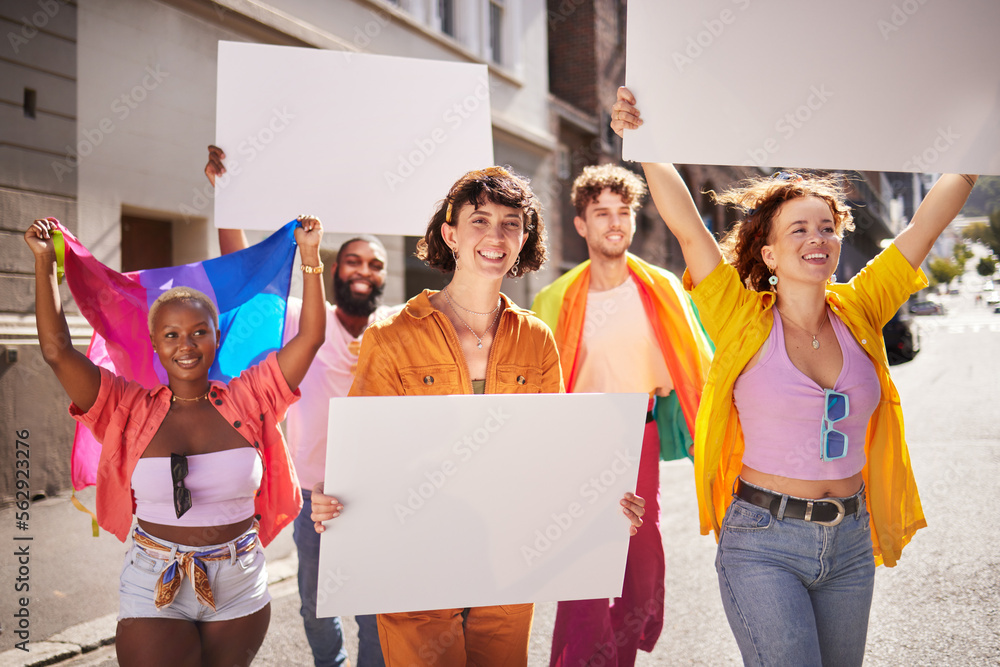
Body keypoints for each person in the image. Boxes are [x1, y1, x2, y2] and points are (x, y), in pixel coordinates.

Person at [612, 86, 979, 666]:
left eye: (827, 227)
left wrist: (978, 142)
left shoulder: (861, 307)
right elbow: (688, 230)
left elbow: (926, 225)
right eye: (799, 230)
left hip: (850, 542)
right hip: (763, 541)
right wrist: (648, 144)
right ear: (770, 255)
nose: (818, 239)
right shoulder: (739, 317)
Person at [309, 166, 648, 666]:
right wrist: (335, 502)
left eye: (511, 223)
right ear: (450, 233)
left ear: (524, 237)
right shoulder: (392, 336)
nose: (496, 236)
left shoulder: (536, 338)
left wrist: (600, 505)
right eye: (480, 220)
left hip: (506, 564)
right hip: (415, 559)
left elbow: (550, 455)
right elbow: (367, 454)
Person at [25, 214, 326, 667]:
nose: (186, 344)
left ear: (216, 337)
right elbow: (56, 352)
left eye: (198, 332)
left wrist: (310, 255)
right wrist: (45, 263)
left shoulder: (250, 397)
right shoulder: (125, 408)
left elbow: (312, 336)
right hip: (154, 578)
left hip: (240, 577)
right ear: (154, 343)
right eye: (171, 335)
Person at [205, 145, 392, 667]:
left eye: (375, 265)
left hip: (379, 492)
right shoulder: (299, 320)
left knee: (375, 609)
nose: (364, 270)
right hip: (314, 495)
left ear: (382, 279)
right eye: (354, 260)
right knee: (315, 605)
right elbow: (246, 278)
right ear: (334, 270)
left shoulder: (396, 329)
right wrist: (228, 195)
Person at [531, 164, 712, 666]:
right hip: (580, 439)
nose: (614, 222)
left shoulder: (663, 288)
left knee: (639, 561)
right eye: (601, 213)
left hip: (642, 428)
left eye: (623, 212)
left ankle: (620, 654)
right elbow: (539, 383)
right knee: (583, 564)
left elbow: (700, 367)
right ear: (581, 225)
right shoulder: (556, 297)